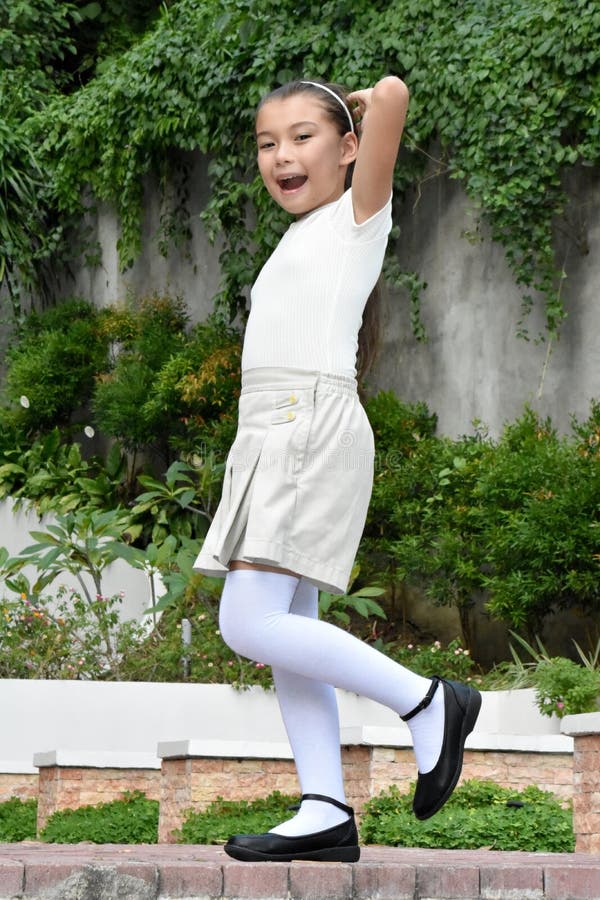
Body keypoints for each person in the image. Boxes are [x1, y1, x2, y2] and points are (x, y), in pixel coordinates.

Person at [194, 76, 481, 863]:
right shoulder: (304, 236)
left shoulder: (360, 215)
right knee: (291, 633)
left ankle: (427, 702)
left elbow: (392, 95)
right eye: (266, 142)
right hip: (274, 432)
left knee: (248, 623)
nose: (281, 155)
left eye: (303, 136)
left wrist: (361, 103)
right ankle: (324, 805)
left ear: (349, 149)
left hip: (305, 429)